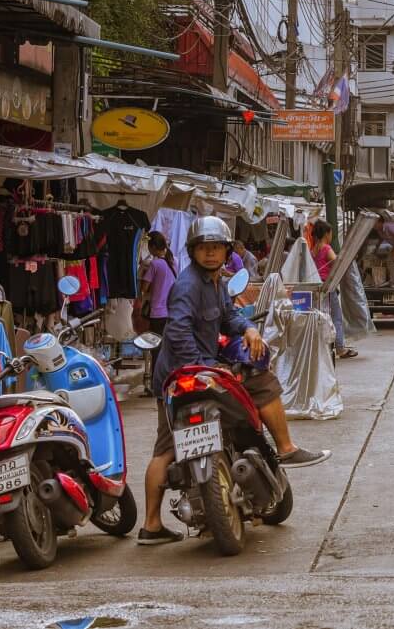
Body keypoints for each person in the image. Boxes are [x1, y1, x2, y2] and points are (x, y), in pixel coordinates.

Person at [139, 216, 328, 546]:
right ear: (194, 251)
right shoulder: (187, 286)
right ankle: (285, 448)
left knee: (165, 450)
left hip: (185, 373)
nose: (210, 254)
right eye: (204, 249)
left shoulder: (215, 283)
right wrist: (205, 369)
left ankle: (151, 526)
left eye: (216, 248)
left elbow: (228, 316)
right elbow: (179, 332)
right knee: (261, 380)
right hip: (184, 374)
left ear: (226, 253)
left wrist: (249, 329)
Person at [308, 219, 356, 360]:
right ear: (326, 233)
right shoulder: (326, 249)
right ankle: (340, 348)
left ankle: (322, 346)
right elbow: (337, 263)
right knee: (336, 318)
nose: (331, 237)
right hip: (328, 287)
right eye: (330, 234)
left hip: (317, 287)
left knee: (321, 317)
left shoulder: (313, 250)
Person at [138, 231, 176, 397]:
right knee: (167, 350)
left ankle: (156, 386)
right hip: (171, 312)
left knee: (155, 351)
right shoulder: (172, 263)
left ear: (153, 247)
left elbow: (144, 288)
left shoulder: (154, 265)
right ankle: (168, 382)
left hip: (157, 313)